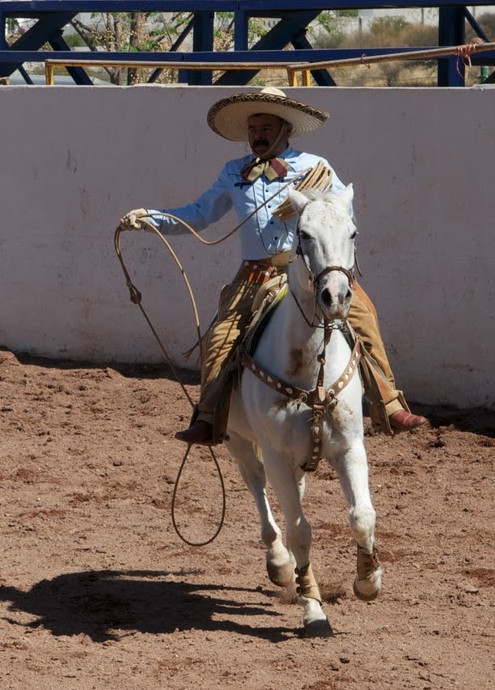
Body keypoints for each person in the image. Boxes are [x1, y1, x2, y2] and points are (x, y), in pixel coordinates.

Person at [119, 88, 427, 445]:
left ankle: (389, 405)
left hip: (308, 273)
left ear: (286, 129)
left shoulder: (316, 167)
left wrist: (317, 211)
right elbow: (200, 214)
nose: (257, 135)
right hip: (254, 278)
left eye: (265, 127)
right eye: (252, 129)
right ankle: (208, 417)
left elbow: (345, 216)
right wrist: (151, 219)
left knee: (363, 319)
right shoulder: (234, 172)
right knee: (220, 339)